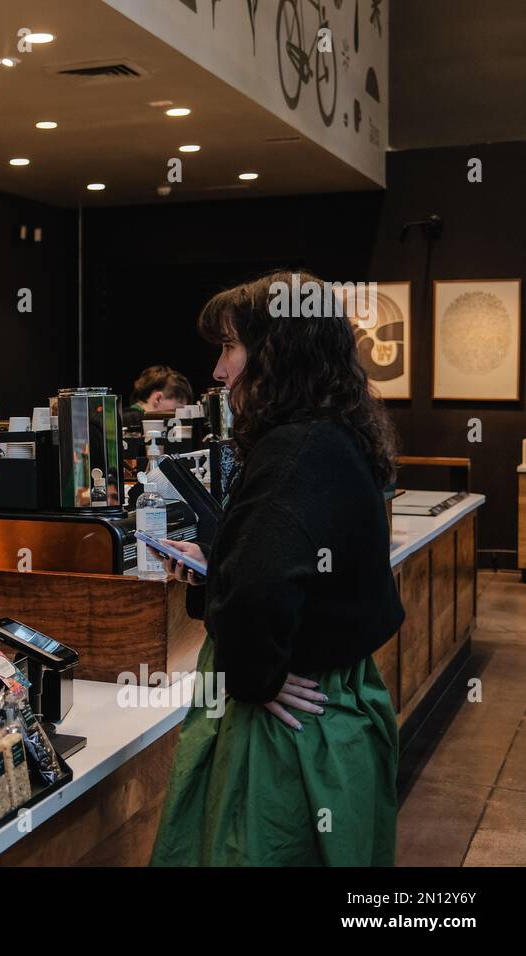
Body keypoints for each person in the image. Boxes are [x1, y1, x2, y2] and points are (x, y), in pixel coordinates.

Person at [147, 270, 403, 866]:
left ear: (276, 351)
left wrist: (259, 675)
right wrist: (223, 568)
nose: (218, 370)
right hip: (338, 714)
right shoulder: (338, 432)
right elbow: (299, 569)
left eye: (230, 347)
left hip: (289, 735)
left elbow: (261, 593)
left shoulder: (293, 452)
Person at [122, 365, 193, 431]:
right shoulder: (129, 420)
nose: (181, 417)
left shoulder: (125, 418)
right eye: (177, 410)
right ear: (158, 399)